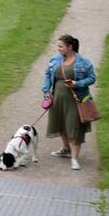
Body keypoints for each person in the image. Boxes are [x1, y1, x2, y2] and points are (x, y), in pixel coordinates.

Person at [42, 34, 97, 170]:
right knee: (61, 124)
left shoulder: (83, 62)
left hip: (75, 100)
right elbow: (48, 75)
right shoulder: (55, 59)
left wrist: (77, 83)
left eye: (61, 46)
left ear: (69, 47)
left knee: (74, 127)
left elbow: (92, 78)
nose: (58, 49)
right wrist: (46, 90)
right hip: (58, 98)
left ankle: (74, 158)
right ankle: (66, 149)